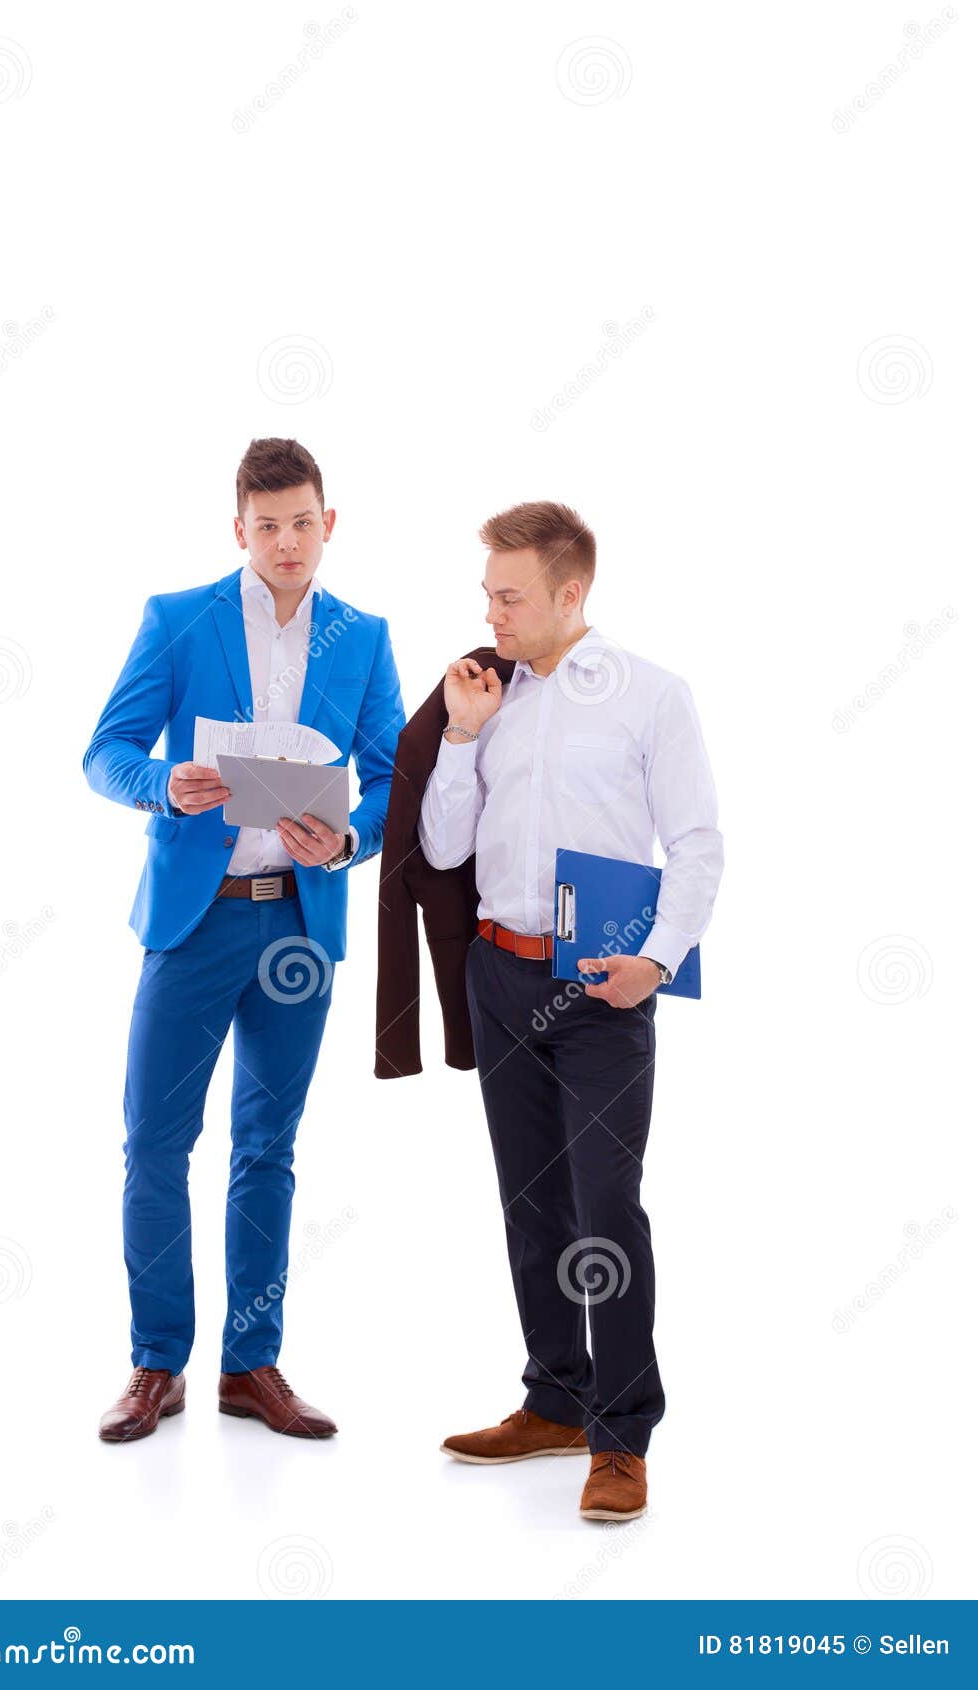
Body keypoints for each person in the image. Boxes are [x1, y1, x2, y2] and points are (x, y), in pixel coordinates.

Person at [84, 437, 404, 1444]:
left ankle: (249, 1363)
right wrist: (160, 783)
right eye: (266, 526)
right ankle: (154, 1363)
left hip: (297, 923)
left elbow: (398, 777)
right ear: (239, 531)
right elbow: (106, 751)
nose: (286, 542)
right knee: (155, 1143)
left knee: (267, 1146)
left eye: (302, 522)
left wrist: (351, 835)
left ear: (328, 523)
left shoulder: (363, 636)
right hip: (195, 917)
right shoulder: (178, 621)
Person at [414, 501, 723, 1521]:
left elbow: (694, 843)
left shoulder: (649, 696)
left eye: (509, 597)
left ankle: (621, 1431)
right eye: (486, 596)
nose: (490, 614)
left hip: (599, 987)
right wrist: (461, 737)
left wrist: (654, 957)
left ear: (568, 593)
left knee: (604, 1207)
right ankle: (553, 1398)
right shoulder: (484, 695)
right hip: (499, 977)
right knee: (531, 1200)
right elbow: (446, 849)